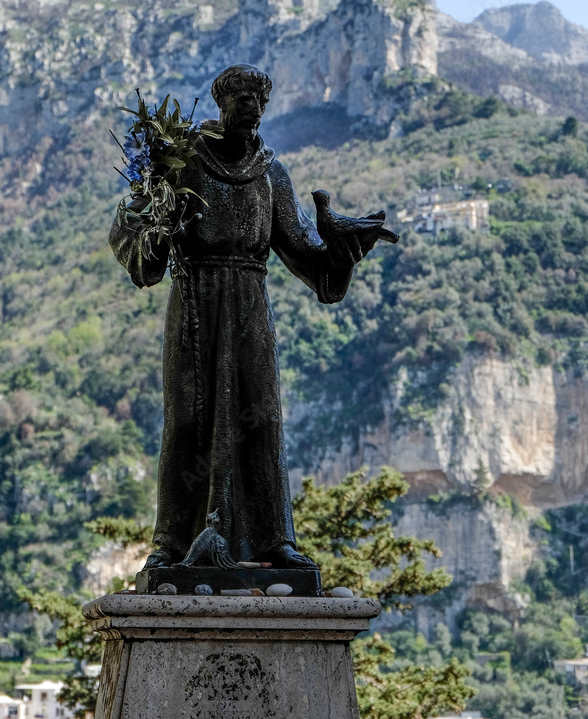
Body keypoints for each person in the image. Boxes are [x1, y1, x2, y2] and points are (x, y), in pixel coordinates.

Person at [110, 63, 387, 569]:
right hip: (194, 303)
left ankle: (272, 540)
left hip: (249, 306)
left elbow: (308, 254)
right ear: (222, 104)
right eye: (243, 100)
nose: (253, 109)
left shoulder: (271, 175)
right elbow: (135, 240)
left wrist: (343, 251)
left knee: (260, 416)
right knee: (188, 420)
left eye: (260, 101)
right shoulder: (181, 165)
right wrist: (155, 226)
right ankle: (170, 544)